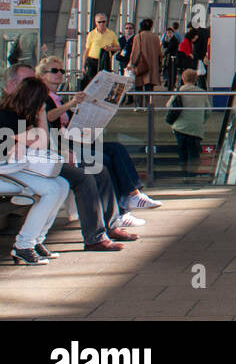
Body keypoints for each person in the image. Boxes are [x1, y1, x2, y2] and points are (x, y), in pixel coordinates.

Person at [0, 69, 135, 252]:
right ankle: (94, 237)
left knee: (98, 170)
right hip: (27, 167)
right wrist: (41, 115)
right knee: (82, 178)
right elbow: (40, 142)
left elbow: (43, 144)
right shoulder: (9, 114)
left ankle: (111, 225)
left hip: (40, 162)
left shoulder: (23, 110)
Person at [35, 57, 158, 222]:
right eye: (54, 71)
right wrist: (71, 104)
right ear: (42, 75)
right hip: (62, 147)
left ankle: (132, 195)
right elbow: (48, 117)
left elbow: (70, 121)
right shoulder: (43, 97)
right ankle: (120, 212)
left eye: (62, 71)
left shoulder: (57, 98)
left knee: (117, 149)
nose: (60, 74)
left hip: (75, 141)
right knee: (104, 160)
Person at [167, 69, 209, 177]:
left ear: (183, 79)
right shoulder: (202, 93)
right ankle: (192, 173)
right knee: (193, 152)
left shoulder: (179, 92)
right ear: (195, 79)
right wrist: (202, 120)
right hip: (196, 127)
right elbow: (208, 110)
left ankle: (184, 172)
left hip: (180, 127)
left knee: (182, 151)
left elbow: (168, 105)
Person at [81, 14, 119, 90]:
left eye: (103, 22)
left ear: (106, 22)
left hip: (104, 60)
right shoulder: (92, 34)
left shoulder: (111, 33)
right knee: (91, 81)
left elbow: (118, 47)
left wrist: (110, 48)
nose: (102, 24)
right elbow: (87, 50)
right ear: (96, 23)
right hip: (92, 60)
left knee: (104, 81)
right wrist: (83, 65)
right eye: (99, 22)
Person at [128, 18, 163, 93]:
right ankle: (148, 103)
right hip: (152, 67)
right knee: (149, 89)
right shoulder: (156, 37)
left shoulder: (138, 37)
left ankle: (139, 104)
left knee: (138, 88)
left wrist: (132, 64)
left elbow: (135, 52)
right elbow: (159, 53)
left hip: (141, 67)